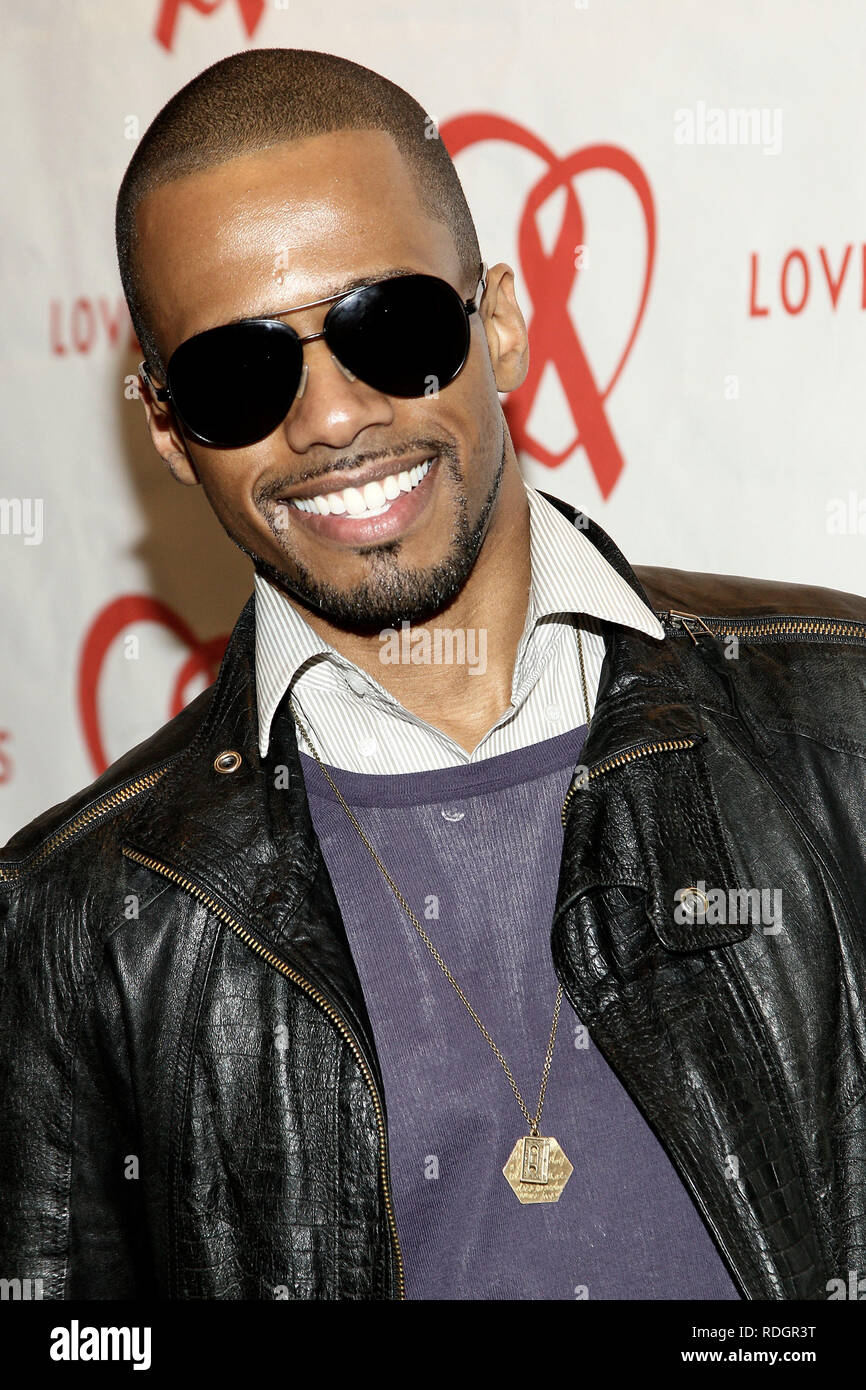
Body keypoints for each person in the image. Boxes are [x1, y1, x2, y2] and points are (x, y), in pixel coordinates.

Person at [2, 46, 865, 1302]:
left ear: (499, 322)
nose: (333, 417)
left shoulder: (840, 721)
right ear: (167, 430)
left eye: (387, 327)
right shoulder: (76, 924)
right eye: (238, 374)